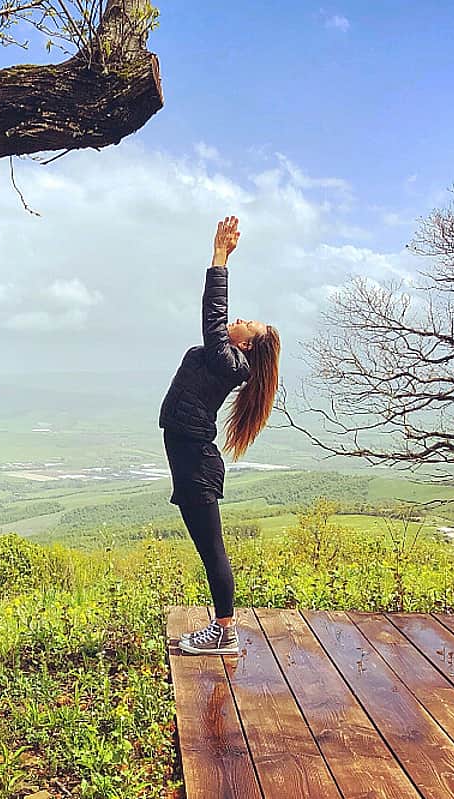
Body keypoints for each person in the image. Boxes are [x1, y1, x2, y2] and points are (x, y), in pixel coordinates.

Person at [159, 216, 281, 655]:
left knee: (213, 551)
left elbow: (214, 320)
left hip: (197, 465)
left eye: (250, 323)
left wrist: (219, 259)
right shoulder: (228, 358)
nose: (241, 320)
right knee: (209, 549)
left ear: (248, 344)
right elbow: (216, 328)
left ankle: (224, 631)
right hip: (193, 460)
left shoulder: (232, 362)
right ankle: (223, 628)